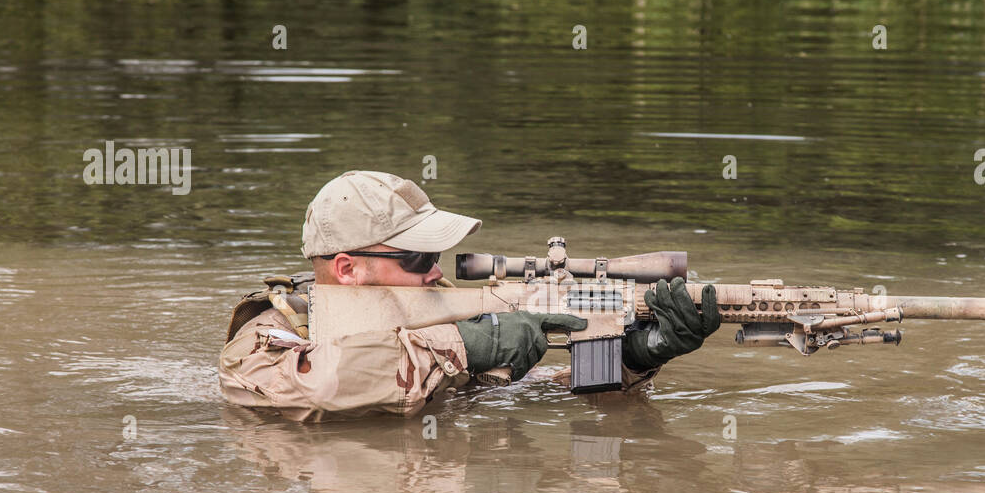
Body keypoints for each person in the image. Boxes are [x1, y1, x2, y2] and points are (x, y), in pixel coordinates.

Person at [219, 170, 721, 422]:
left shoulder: (437, 314)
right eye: (417, 257)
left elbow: (534, 398)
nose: (436, 271)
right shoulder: (269, 333)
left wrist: (631, 357)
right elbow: (311, 391)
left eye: (435, 255)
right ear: (348, 269)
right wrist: (466, 345)